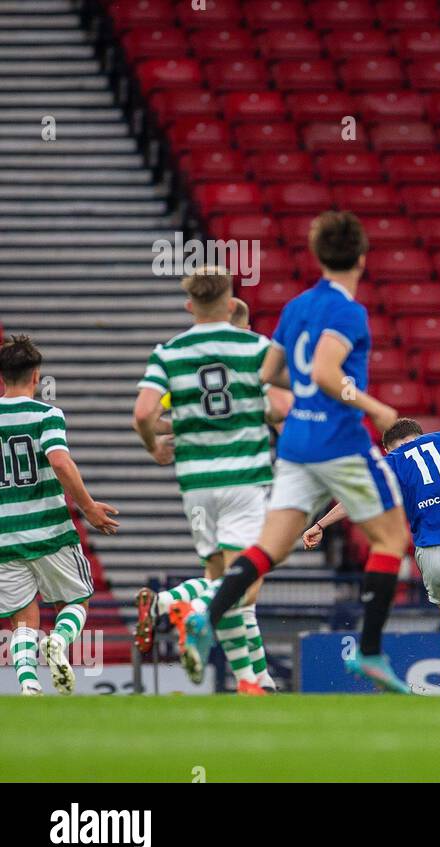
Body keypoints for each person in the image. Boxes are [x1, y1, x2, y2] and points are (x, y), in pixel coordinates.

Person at [181, 211, 412, 693]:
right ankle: (369, 652)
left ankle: (206, 615)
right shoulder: (349, 311)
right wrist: (375, 407)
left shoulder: (297, 306)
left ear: (318, 256)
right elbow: (328, 373)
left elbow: (268, 372)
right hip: (340, 441)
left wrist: (307, 387)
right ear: (362, 258)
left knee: (269, 548)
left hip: (296, 444)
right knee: (391, 540)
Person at [131, 267, 280, 692]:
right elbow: (281, 408)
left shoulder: (169, 353)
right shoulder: (255, 348)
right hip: (244, 480)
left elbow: (145, 415)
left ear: (188, 305)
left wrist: (154, 446)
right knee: (244, 587)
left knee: (221, 579)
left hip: (196, 485)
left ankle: (254, 682)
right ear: (231, 304)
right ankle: (180, 605)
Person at [303, 418, 440, 695]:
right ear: (420, 435)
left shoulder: (393, 461)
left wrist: (319, 525)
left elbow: (356, 498)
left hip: (430, 551)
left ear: (388, 448)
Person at [0, 335, 118, 695]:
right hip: (49, 529)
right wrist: (89, 508)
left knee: (23, 615)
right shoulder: (47, 415)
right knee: (76, 599)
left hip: (5, 536)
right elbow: (60, 461)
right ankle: (59, 641)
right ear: (36, 376)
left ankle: (29, 685)